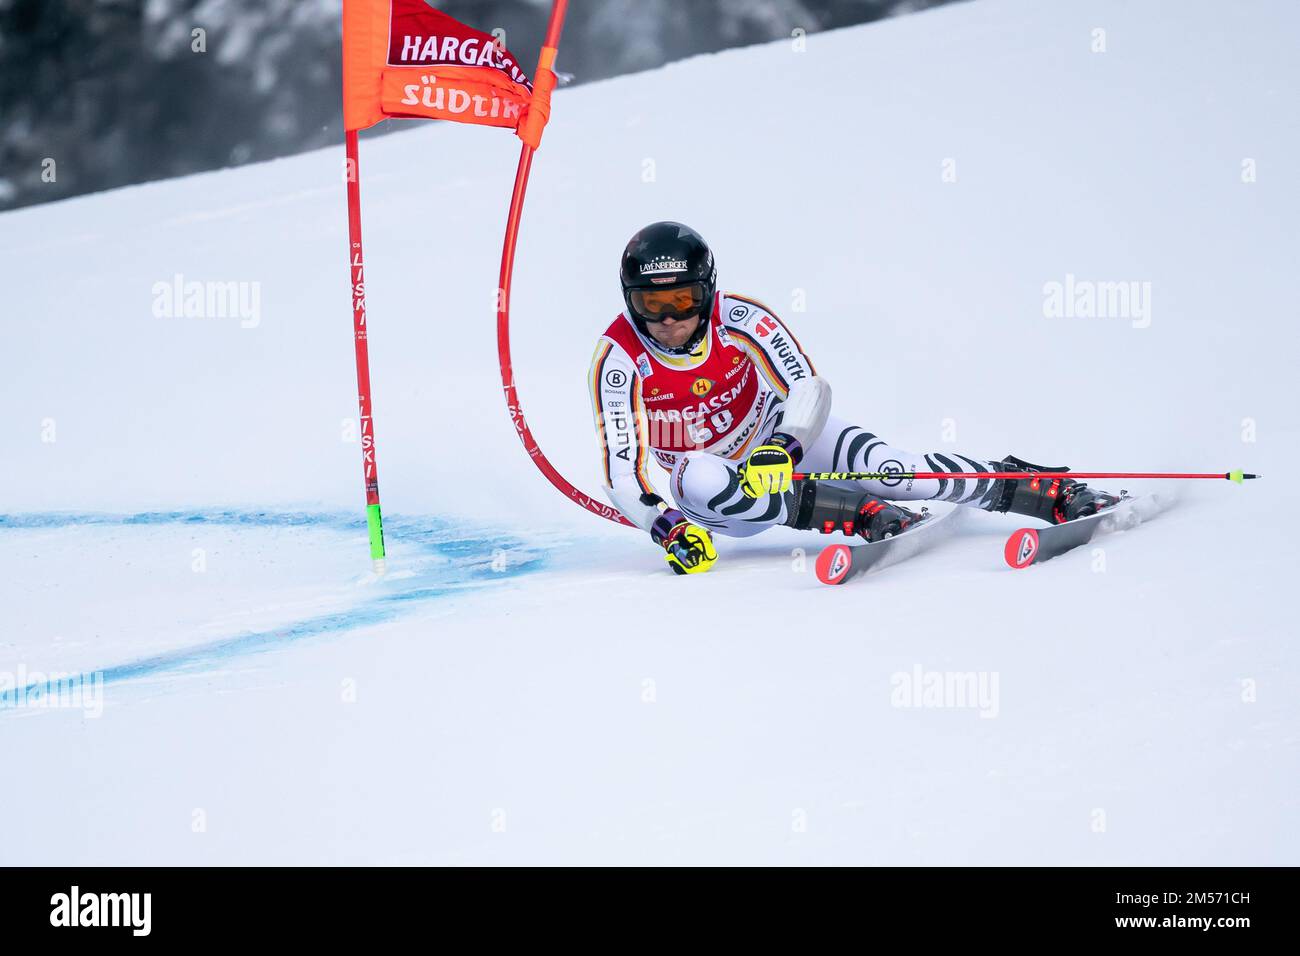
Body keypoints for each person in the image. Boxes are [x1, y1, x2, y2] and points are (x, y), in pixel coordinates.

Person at [588, 221, 1119, 574]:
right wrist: (668, 528)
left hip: (774, 443)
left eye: (682, 299)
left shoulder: (741, 317)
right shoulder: (618, 360)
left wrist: (783, 448)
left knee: (901, 471)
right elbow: (622, 472)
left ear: (706, 291)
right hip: (716, 493)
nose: (669, 320)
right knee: (701, 476)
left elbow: (807, 387)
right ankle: (859, 512)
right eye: (651, 303)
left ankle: (1038, 490)